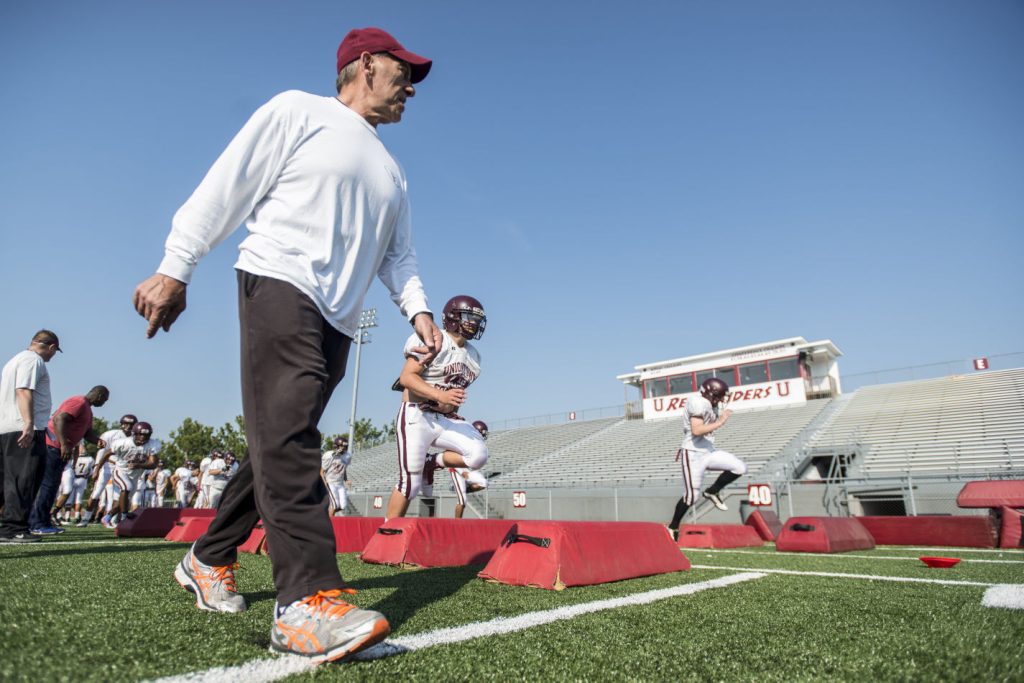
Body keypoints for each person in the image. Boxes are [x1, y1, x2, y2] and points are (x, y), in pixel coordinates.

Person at [133, 26, 441, 662]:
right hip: (280, 279)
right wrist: (176, 264)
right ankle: (305, 601)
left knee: (282, 436)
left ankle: (209, 556)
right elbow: (229, 183)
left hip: (340, 317)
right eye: (401, 70)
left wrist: (419, 310)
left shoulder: (392, 170)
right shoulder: (299, 110)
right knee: (290, 437)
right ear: (363, 64)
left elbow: (399, 256)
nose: (410, 85)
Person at [386, 295, 489, 520]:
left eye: (477, 319)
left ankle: (432, 463)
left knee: (478, 454)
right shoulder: (434, 338)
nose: (475, 323)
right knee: (410, 485)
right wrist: (440, 395)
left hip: (442, 418)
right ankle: (387, 534)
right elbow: (406, 378)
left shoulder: (474, 356)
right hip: (416, 414)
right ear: (453, 316)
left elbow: (453, 393)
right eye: (469, 317)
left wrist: (451, 408)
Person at [667, 378, 749, 540]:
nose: (722, 400)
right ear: (711, 393)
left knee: (739, 467)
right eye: (719, 396)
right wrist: (720, 422)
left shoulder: (711, 405)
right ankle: (672, 527)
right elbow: (697, 430)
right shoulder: (697, 402)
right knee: (691, 497)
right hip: (693, 453)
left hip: (708, 451)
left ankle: (712, 491)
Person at [0, 330, 59, 543]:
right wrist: (29, 423)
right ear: (51, 347)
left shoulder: (13, 360)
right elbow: (24, 390)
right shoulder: (33, 360)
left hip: (6, 427)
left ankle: (8, 527)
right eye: (54, 352)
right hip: (22, 427)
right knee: (24, 479)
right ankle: (14, 528)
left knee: (7, 481)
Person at [30, 385, 109, 534]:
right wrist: (64, 444)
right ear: (99, 395)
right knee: (48, 485)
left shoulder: (87, 409)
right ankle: (37, 523)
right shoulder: (78, 402)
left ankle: (43, 521)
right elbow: (59, 419)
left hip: (58, 449)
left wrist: (97, 440)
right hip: (53, 446)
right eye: (104, 399)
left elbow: (86, 433)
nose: (104, 403)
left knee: (52, 486)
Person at [96, 421, 162, 526]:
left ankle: (107, 517)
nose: (143, 437)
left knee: (122, 502)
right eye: (140, 434)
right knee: (127, 488)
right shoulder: (122, 443)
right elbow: (106, 454)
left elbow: (153, 464)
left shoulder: (153, 444)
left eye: (146, 435)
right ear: (134, 433)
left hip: (135, 475)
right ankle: (124, 516)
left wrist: (140, 465)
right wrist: (97, 469)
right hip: (121, 471)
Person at [83, 414, 137, 525]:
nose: (128, 426)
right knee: (97, 492)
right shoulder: (110, 435)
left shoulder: (135, 438)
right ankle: (85, 519)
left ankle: (112, 520)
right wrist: (97, 468)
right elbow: (102, 452)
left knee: (119, 495)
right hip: (106, 466)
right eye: (126, 423)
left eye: (131, 424)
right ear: (121, 424)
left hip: (121, 468)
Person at [320, 436, 352, 516]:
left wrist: (346, 480)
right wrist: (325, 483)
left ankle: (325, 514)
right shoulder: (330, 456)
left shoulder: (347, 456)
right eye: (342, 446)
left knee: (343, 505)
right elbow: (321, 472)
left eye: (345, 447)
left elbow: (343, 469)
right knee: (335, 504)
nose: (344, 448)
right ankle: (330, 524)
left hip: (340, 484)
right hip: (331, 483)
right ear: (336, 446)